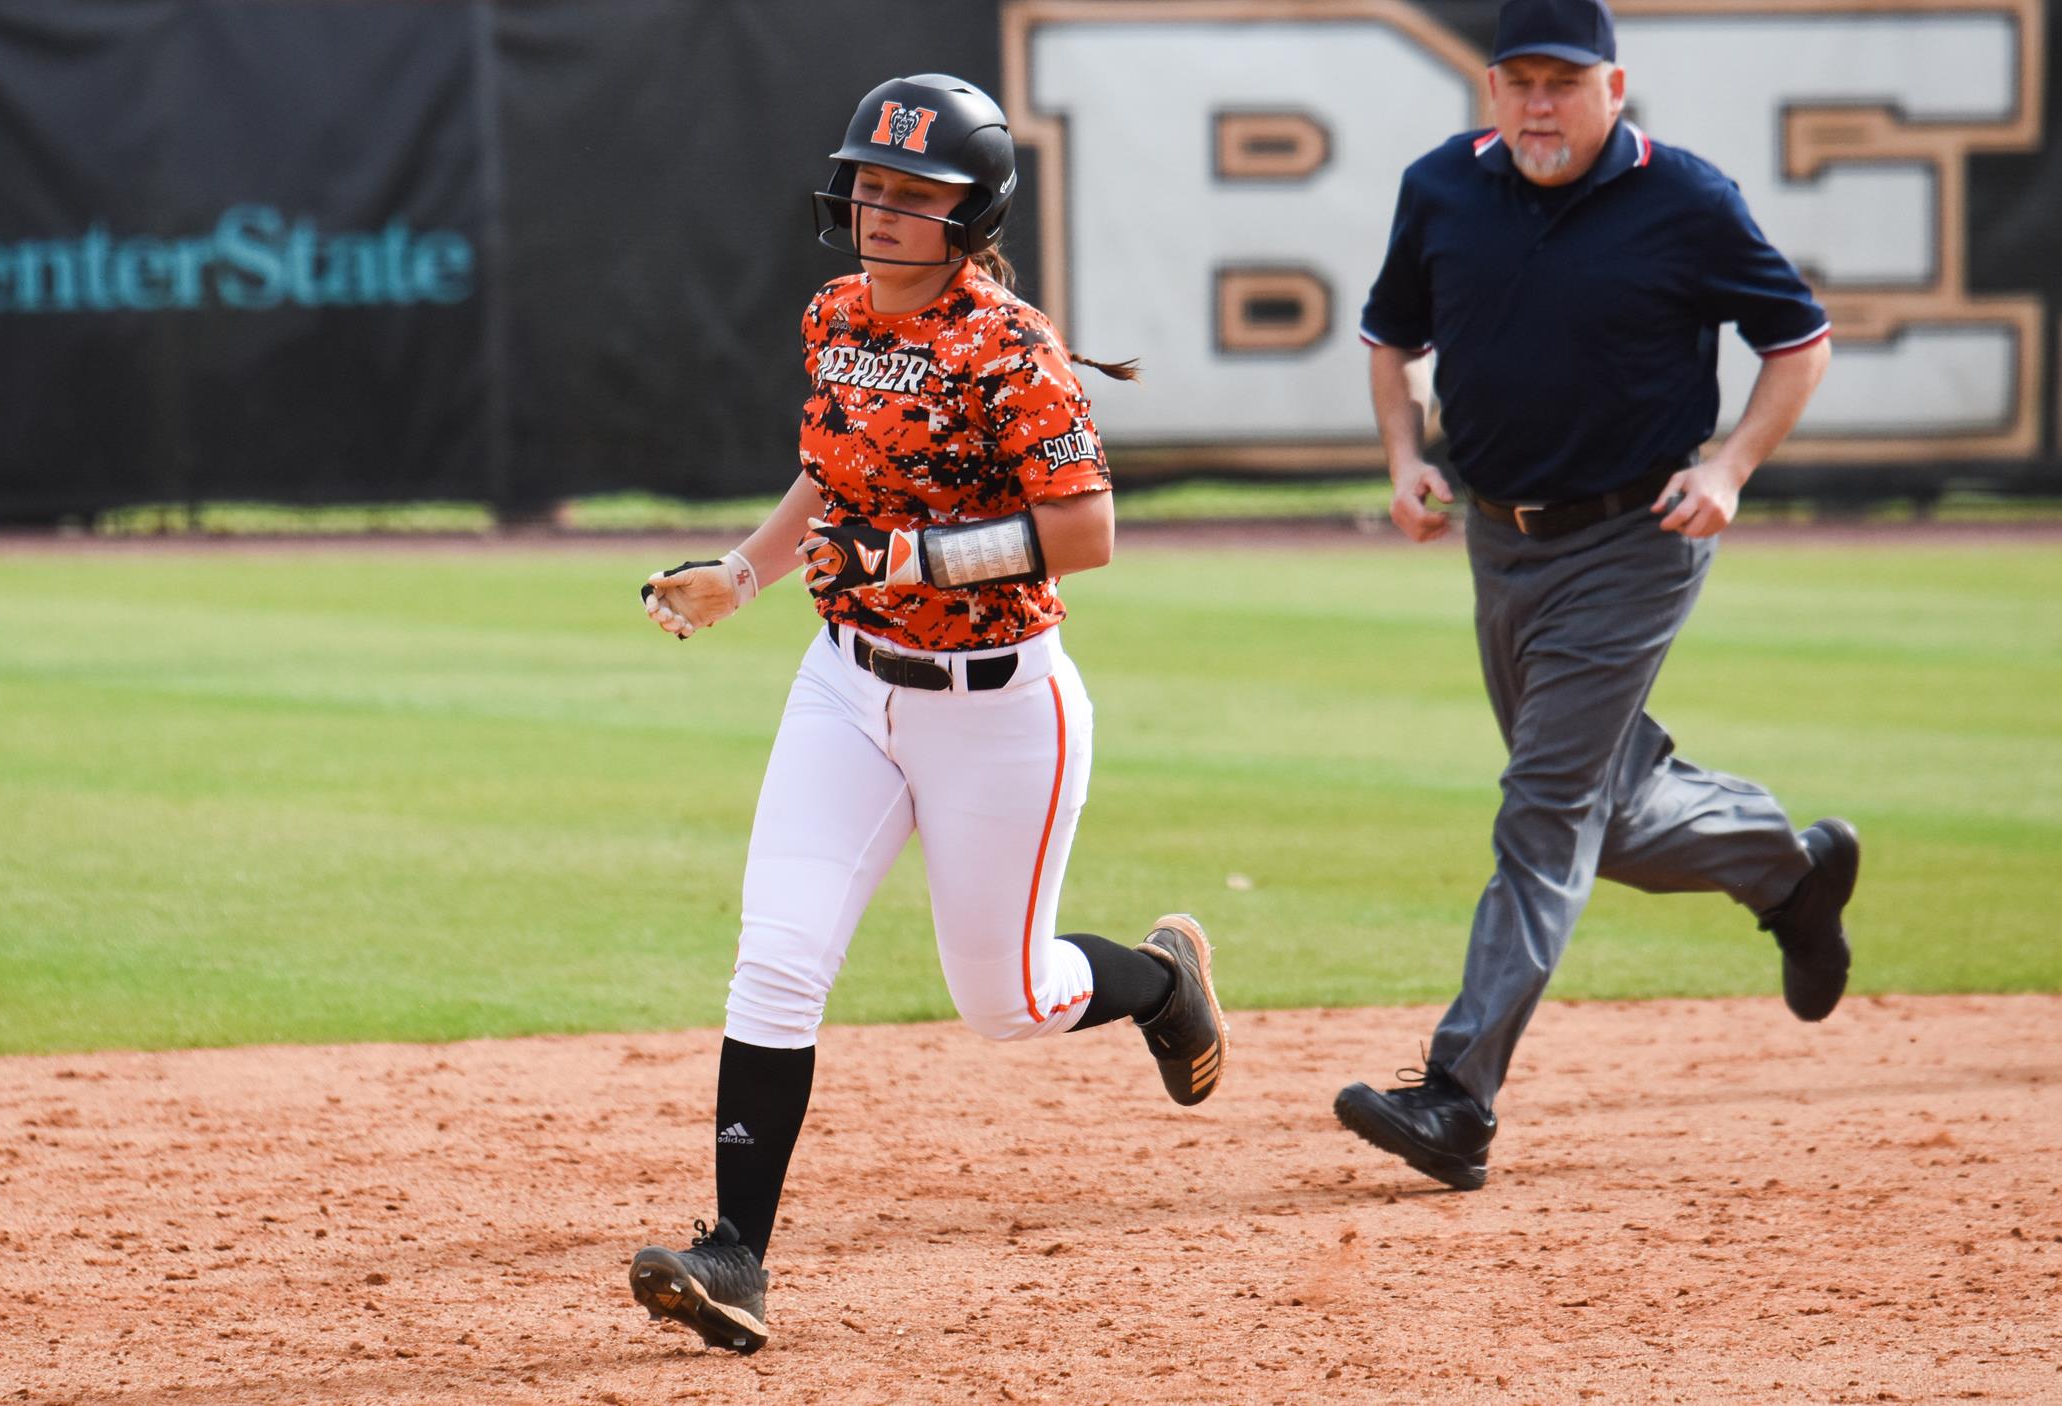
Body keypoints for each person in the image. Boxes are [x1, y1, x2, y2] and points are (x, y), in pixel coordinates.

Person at [622, 73, 1225, 1354]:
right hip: (846, 683)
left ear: (975, 210)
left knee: (1009, 999)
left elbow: (1086, 531)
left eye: (916, 193)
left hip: (999, 708)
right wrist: (740, 573)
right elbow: (828, 470)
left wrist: (911, 561)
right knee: (777, 957)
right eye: (870, 185)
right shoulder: (835, 313)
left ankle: (1163, 982)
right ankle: (735, 1255)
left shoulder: (1008, 344)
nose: (883, 209)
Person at [1335, 0, 1858, 1193]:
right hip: (1498, 536)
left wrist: (1728, 467)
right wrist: (1402, 456)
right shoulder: (1442, 189)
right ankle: (1787, 868)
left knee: (1544, 805)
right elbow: (1389, 337)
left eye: (1560, 83)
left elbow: (1801, 339)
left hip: (1635, 538)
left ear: (1611, 90)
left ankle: (1457, 1095)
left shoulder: (1687, 198)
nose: (1536, 104)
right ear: (1490, 90)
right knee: (1604, 816)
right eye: (1515, 80)